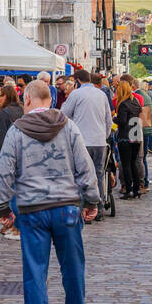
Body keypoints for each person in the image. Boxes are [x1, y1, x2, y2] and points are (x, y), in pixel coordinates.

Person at [0, 81, 102, 304]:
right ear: (50, 99)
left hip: (32, 210)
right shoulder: (68, 127)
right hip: (66, 207)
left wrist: (3, 208)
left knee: (35, 270)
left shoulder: (17, 132)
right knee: (73, 265)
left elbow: (3, 170)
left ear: (27, 99)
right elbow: (85, 167)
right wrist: (92, 201)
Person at [61, 69, 115, 213]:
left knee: (81, 174)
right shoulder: (101, 94)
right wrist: (104, 136)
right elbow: (108, 120)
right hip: (99, 142)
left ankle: (84, 206)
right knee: (98, 173)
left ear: (77, 81)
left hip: (82, 141)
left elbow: (64, 115)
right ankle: (99, 206)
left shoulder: (76, 94)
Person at [114, 81, 144, 199]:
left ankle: (128, 190)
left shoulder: (123, 104)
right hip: (135, 135)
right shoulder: (135, 101)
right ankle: (137, 189)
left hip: (125, 136)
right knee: (133, 163)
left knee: (126, 164)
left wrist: (114, 118)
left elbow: (122, 121)